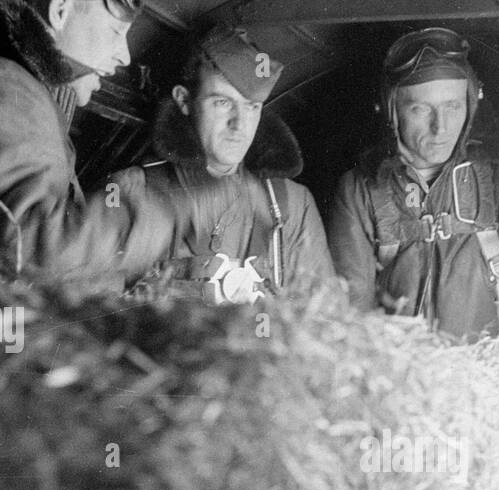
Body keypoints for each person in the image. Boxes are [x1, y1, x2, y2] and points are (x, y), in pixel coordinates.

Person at [0, 0, 206, 296]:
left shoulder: (37, 104)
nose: (124, 56)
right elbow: (33, 251)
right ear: (60, 11)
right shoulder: (13, 91)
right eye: (115, 31)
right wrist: (159, 215)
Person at [114, 24, 337, 303]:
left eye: (252, 106)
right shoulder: (132, 191)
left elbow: (327, 321)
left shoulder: (292, 206)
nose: (239, 125)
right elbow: (84, 311)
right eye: (222, 102)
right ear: (184, 100)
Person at [327, 27, 499, 344]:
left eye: (453, 107)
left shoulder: (496, 177)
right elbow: (350, 315)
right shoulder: (360, 190)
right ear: (392, 112)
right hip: (404, 379)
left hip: (485, 377)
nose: (440, 127)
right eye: (420, 109)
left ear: (470, 107)